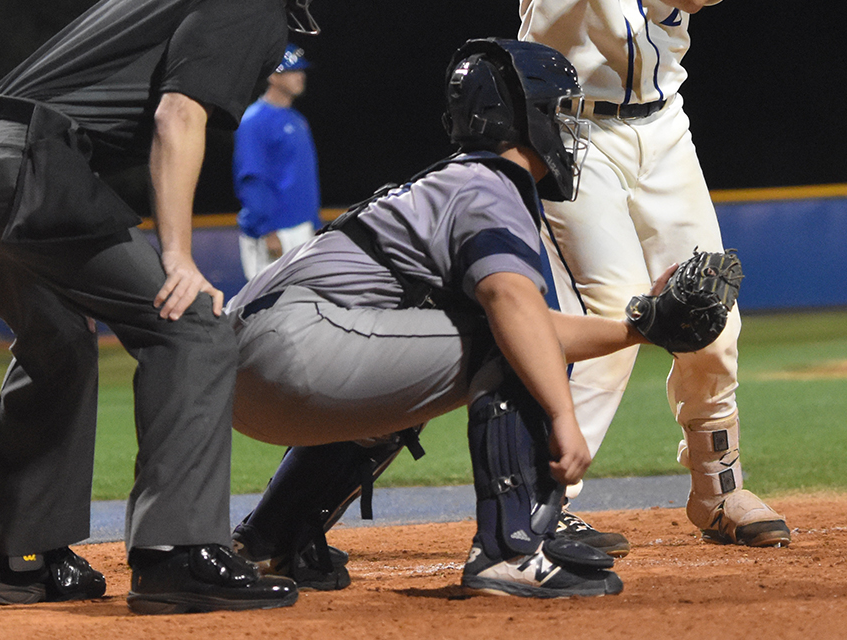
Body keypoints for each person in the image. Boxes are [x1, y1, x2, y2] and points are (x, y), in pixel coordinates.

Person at [0, 0, 329, 614]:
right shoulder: (248, 1)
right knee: (193, 328)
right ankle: (176, 555)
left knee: (57, 344)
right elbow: (177, 117)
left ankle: (23, 560)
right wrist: (179, 257)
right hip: (23, 165)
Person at [225, 39, 735, 598]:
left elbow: (529, 320)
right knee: (513, 344)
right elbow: (515, 315)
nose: (569, 129)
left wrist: (639, 329)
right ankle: (512, 551)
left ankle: (271, 540)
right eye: (559, 112)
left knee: (512, 340)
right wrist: (564, 416)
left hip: (246, 369)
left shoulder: (457, 182)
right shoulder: (491, 187)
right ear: (523, 118)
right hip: (294, 349)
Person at [464, 0, 790, 550]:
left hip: (662, 127)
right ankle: (543, 505)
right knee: (612, 317)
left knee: (710, 310)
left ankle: (719, 493)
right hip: (568, 131)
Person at [234, 45, 322, 281]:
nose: (300, 75)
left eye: (301, 70)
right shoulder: (254, 120)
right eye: (293, 70)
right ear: (273, 76)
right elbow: (252, 177)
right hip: (274, 232)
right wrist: (266, 230)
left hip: (302, 227)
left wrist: (313, 223)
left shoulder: (297, 119)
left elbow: (303, 177)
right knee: (265, 309)